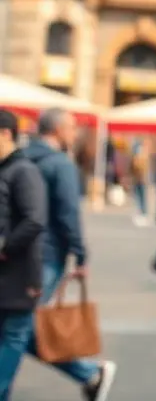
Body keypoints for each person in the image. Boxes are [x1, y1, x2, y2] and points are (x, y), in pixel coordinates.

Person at [23, 109, 116, 399]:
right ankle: (89, 372)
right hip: (47, 255)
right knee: (19, 327)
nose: (75, 135)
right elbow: (68, 214)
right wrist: (81, 253)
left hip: (18, 252)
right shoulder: (61, 165)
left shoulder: (21, 157)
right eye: (73, 128)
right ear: (59, 129)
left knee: (17, 325)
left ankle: (89, 373)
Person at [0, 109, 46, 401]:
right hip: (6, 276)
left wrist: (5, 247)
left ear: (5, 134)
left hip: (19, 274)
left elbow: (35, 219)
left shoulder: (23, 170)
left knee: (14, 338)